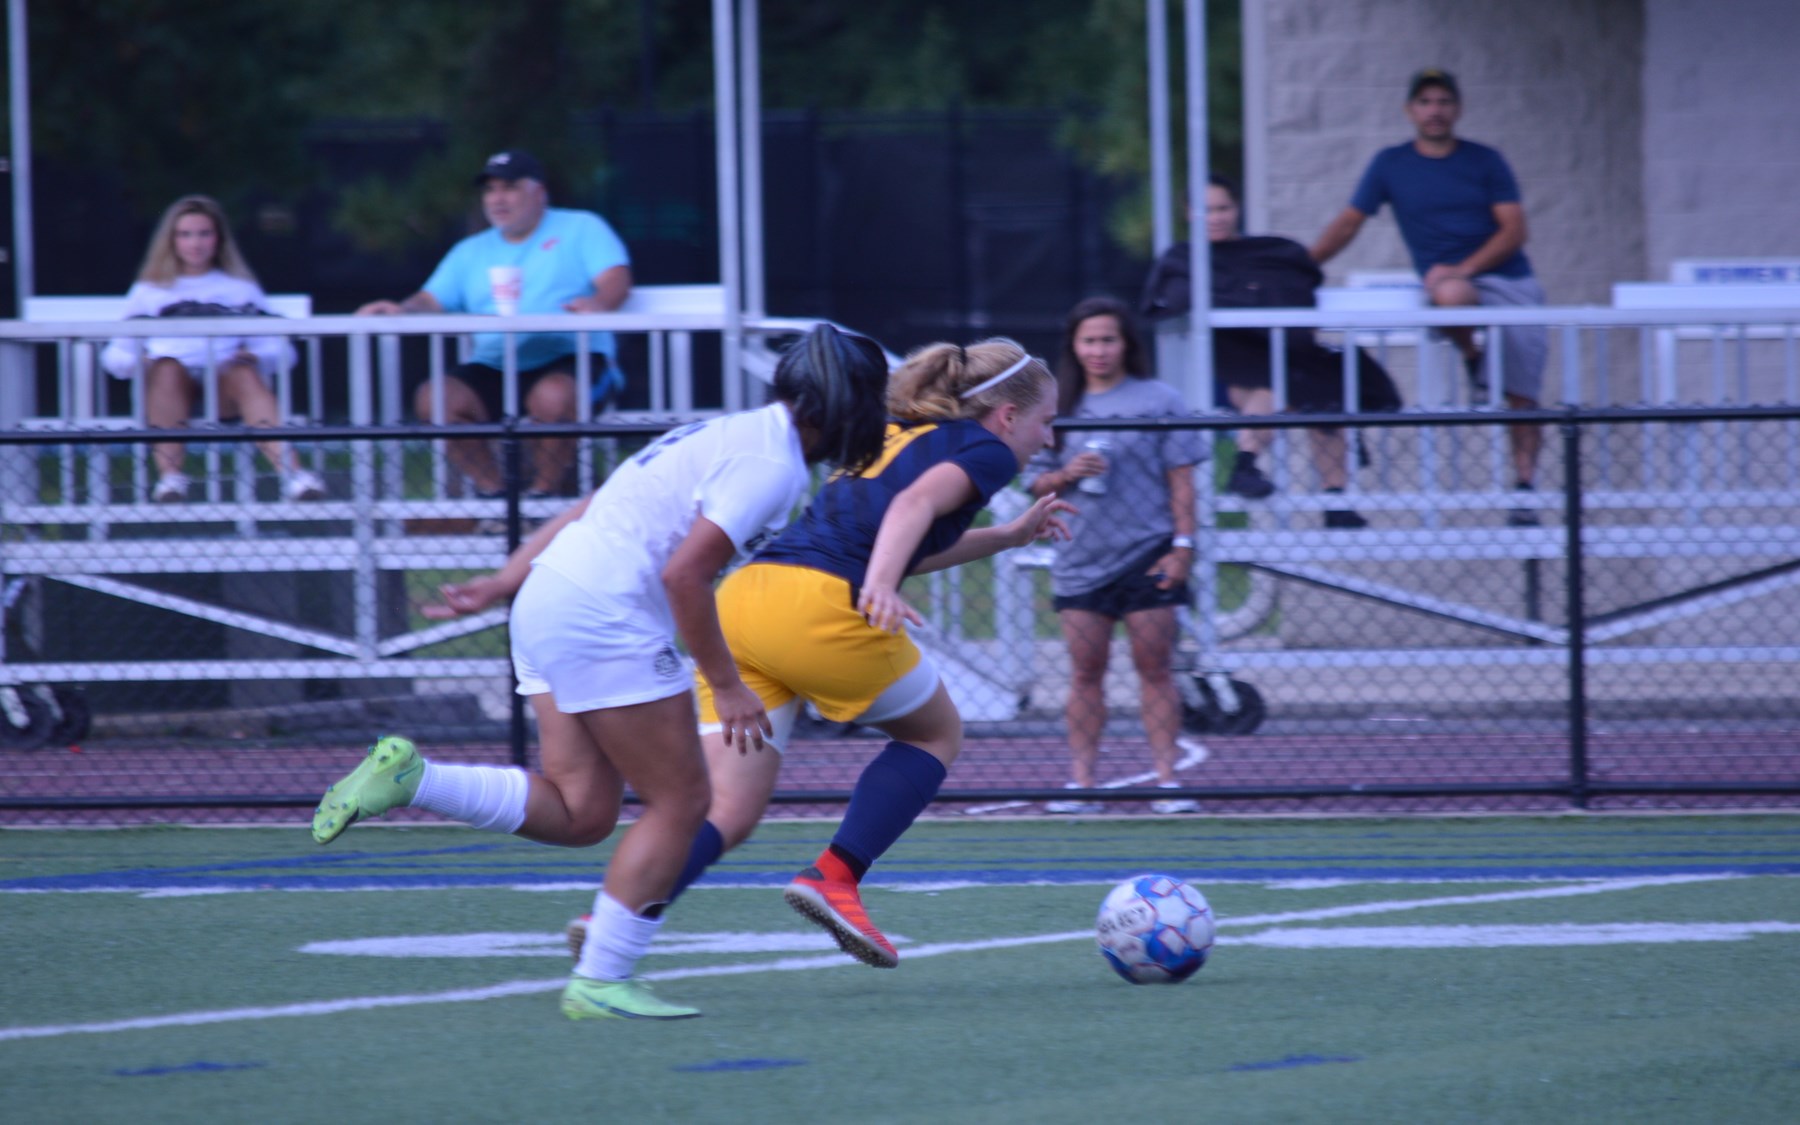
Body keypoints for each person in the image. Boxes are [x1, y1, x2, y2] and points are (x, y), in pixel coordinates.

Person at [309, 323, 891, 1021]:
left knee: (583, 811)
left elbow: (589, 508)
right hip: (603, 612)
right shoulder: (773, 463)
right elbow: (685, 575)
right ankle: (601, 977)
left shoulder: (728, 431)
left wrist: (507, 580)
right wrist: (727, 683)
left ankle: (412, 777)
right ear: (843, 402)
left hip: (554, 592)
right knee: (684, 803)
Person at [566, 338, 1072, 970]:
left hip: (743, 603)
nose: (1048, 439)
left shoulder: (896, 431)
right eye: (1046, 421)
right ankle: (836, 875)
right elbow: (911, 511)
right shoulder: (987, 449)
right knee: (935, 735)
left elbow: (899, 529)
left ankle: (617, 912)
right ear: (1005, 416)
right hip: (816, 607)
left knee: (726, 807)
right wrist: (882, 584)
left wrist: (1006, 536)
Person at [1309, 68, 1548, 526]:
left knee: (1523, 395)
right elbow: (1349, 222)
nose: (1434, 111)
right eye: (1425, 102)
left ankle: (1524, 490)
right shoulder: (1390, 164)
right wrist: (1305, 262)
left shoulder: (1485, 161)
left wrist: (1465, 266)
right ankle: (1474, 356)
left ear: (1456, 109)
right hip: (1450, 288)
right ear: (1409, 110)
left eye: (1443, 102)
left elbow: (1515, 230)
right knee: (1452, 293)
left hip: (1507, 280)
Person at [356, 150, 632, 499]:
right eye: (490, 190)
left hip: (574, 358)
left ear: (539, 193)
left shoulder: (582, 227)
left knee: (554, 396)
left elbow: (616, 278)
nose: (497, 199)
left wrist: (599, 303)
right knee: (436, 399)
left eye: (510, 188)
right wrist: (400, 309)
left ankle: (541, 500)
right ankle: (499, 498)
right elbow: (430, 300)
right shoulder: (470, 250)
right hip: (495, 364)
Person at [1025, 297, 1206, 815]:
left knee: (1156, 667)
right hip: (1080, 558)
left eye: (1108, 339)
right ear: (1074, 346)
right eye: (1089, 341)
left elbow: (1183, 480)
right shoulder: (1055, 401)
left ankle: (1168, 783)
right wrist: (1066, 475)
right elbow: (1030, 480)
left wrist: (1182, 548)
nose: (1099, 350)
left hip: (1148, 554)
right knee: (1085, 672)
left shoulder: (1159, 399)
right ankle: (1082, 784)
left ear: (1126, 344)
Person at [1141, 176, 1401, 527]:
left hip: (1285, 357)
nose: (1215, 217)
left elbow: (1294, 294)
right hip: (1227, 363)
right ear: (1188, 214)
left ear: (1237, 209)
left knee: (1314, 387)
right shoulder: (1184, 259)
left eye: (1222, 208)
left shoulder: (1270, 255)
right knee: (1276, 384)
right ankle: (1254, 467)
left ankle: (1329, 496)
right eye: (1205, 210)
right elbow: (1172, 302)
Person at [101, 194, 325, 504]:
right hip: (169, 388)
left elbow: (283, 352)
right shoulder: (149, 291)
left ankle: (295, 476)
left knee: (243, 373)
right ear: (171, 240)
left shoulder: (239, 288)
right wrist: (142, 362)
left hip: (225, 387)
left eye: (204, 233)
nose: (196, 243)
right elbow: (115, 356)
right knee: (167, 369)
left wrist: (256, 357)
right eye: (185, 234)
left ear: (218, 239)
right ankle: (170, 479)